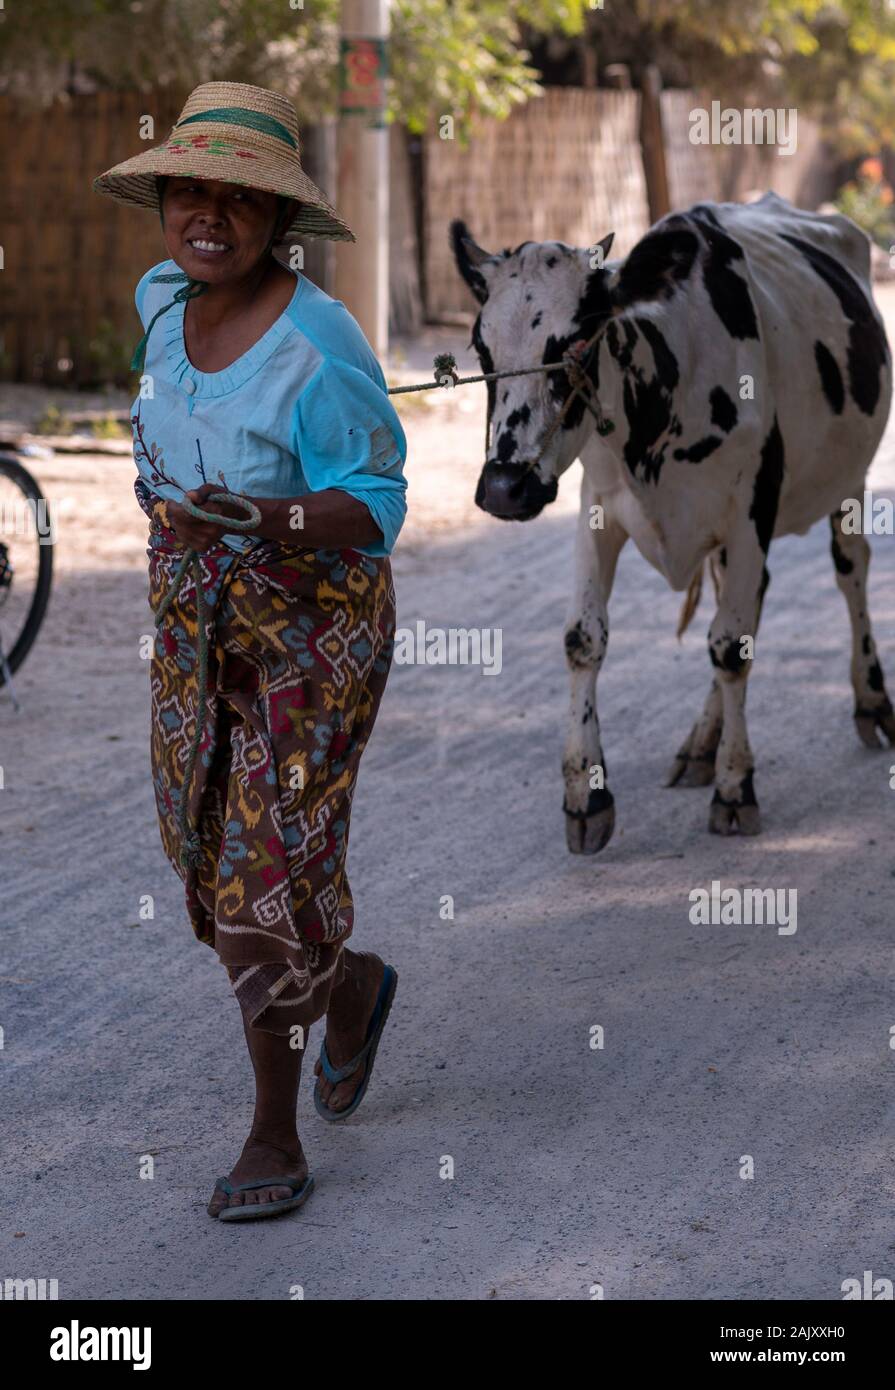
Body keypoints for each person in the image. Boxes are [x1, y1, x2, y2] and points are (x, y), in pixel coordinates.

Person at [93, 81, 405, 1222]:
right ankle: (353, 985)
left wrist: (266, 519)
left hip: (308, 634)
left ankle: (272, 1133)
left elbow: (375, 498)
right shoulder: (160, 302)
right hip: (191, 625)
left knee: (260, 891)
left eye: (241, 198)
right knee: (201, 852)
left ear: (281, 221)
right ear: (164, 202)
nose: (208, 215)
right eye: (190, 191)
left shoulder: (320, 344)